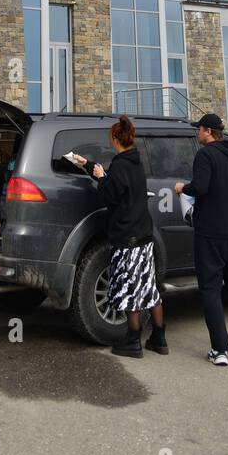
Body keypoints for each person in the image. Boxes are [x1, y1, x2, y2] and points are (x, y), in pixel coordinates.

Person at [74, 115, 167, 359]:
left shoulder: (120, 166)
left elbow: (110, 196)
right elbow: (119, 186)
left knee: (129, 289)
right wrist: (90, 166)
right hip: (144, 235)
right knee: (148, 287)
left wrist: (102, 178)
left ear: (116, 138)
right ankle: (159, 338)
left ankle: (132, 341)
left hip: (126, 238)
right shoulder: (134, 161)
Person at [175, 112, 228, 367]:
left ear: (209, 131)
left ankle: (219, 350)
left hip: (210, 232)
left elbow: (200, 187)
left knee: (210, 288)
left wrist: (182, 188)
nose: (197, 133)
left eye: (199, 129)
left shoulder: (205, 155)